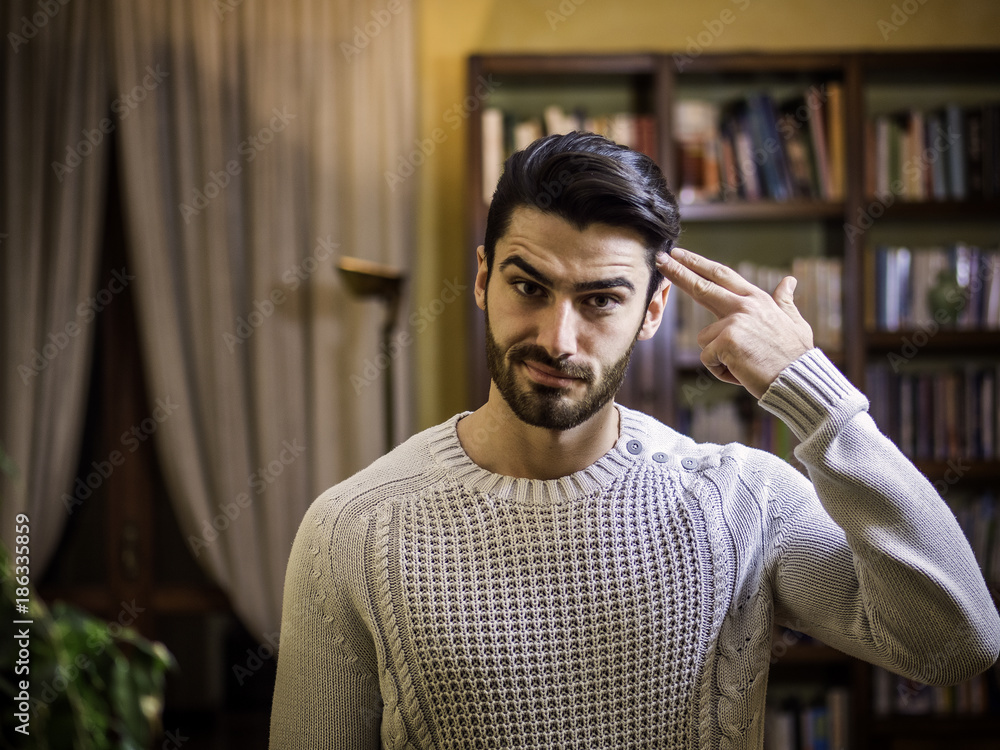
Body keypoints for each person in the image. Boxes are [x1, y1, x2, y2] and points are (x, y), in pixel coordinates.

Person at [268, 132, 1000, 749]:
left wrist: (815, 395)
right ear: (484, 279)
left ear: (652, 312)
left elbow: (956, 643)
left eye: (600, 300)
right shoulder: (351, 531)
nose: (559, 338)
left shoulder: (742, 500)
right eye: (529, 286)